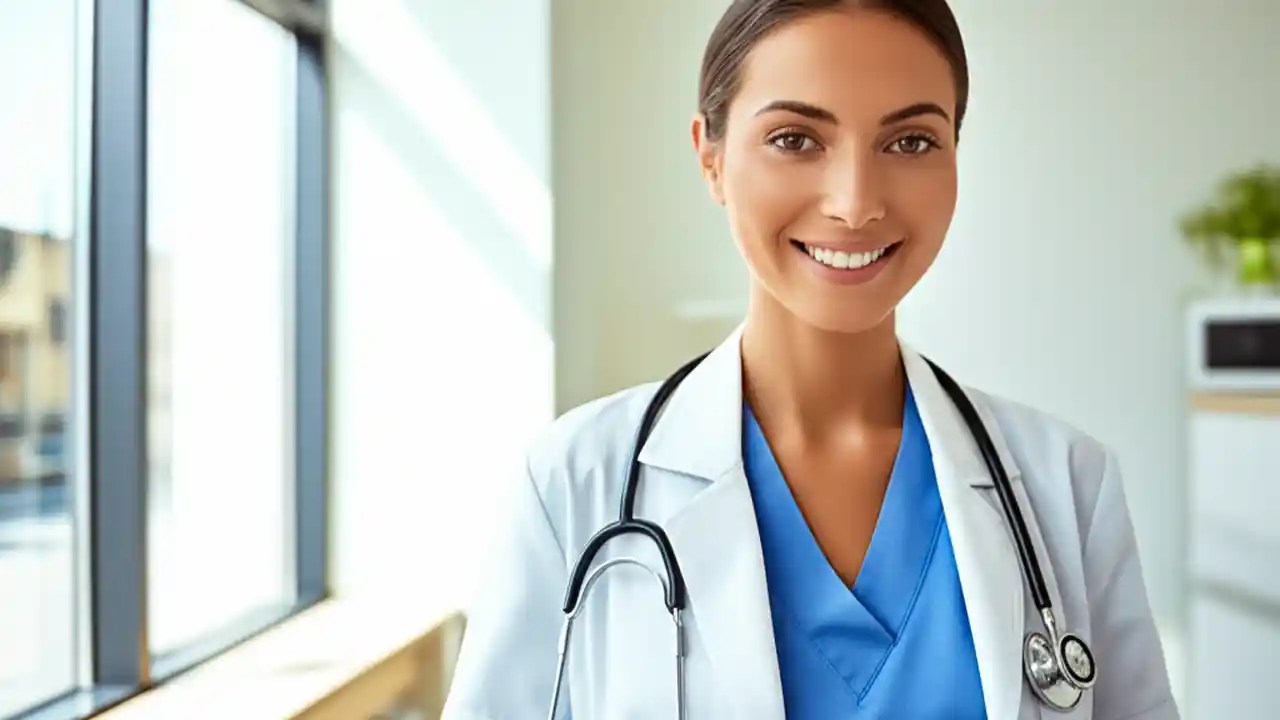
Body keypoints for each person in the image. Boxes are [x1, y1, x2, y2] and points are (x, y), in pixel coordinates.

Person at [442, 1, 1179, 717]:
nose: (855, 202)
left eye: (911, 141)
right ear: (710, 155)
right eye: (796, 139)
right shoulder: (574, 482)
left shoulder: (1068, 484)